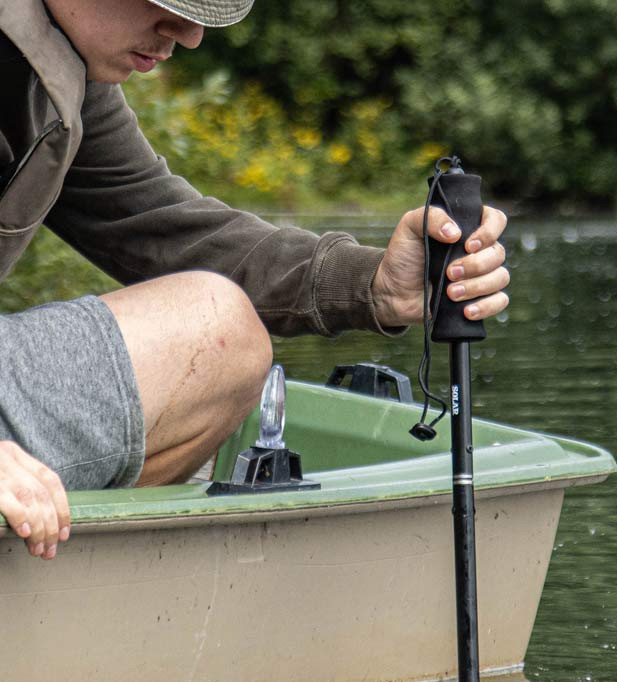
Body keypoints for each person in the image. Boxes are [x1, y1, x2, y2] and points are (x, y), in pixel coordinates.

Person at [0, 0, 509, 561]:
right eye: (164, 2)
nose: (188, 35)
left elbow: (169, 230)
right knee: (217, 332)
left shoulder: (69, 71)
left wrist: (376, 284)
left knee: (220, 343)